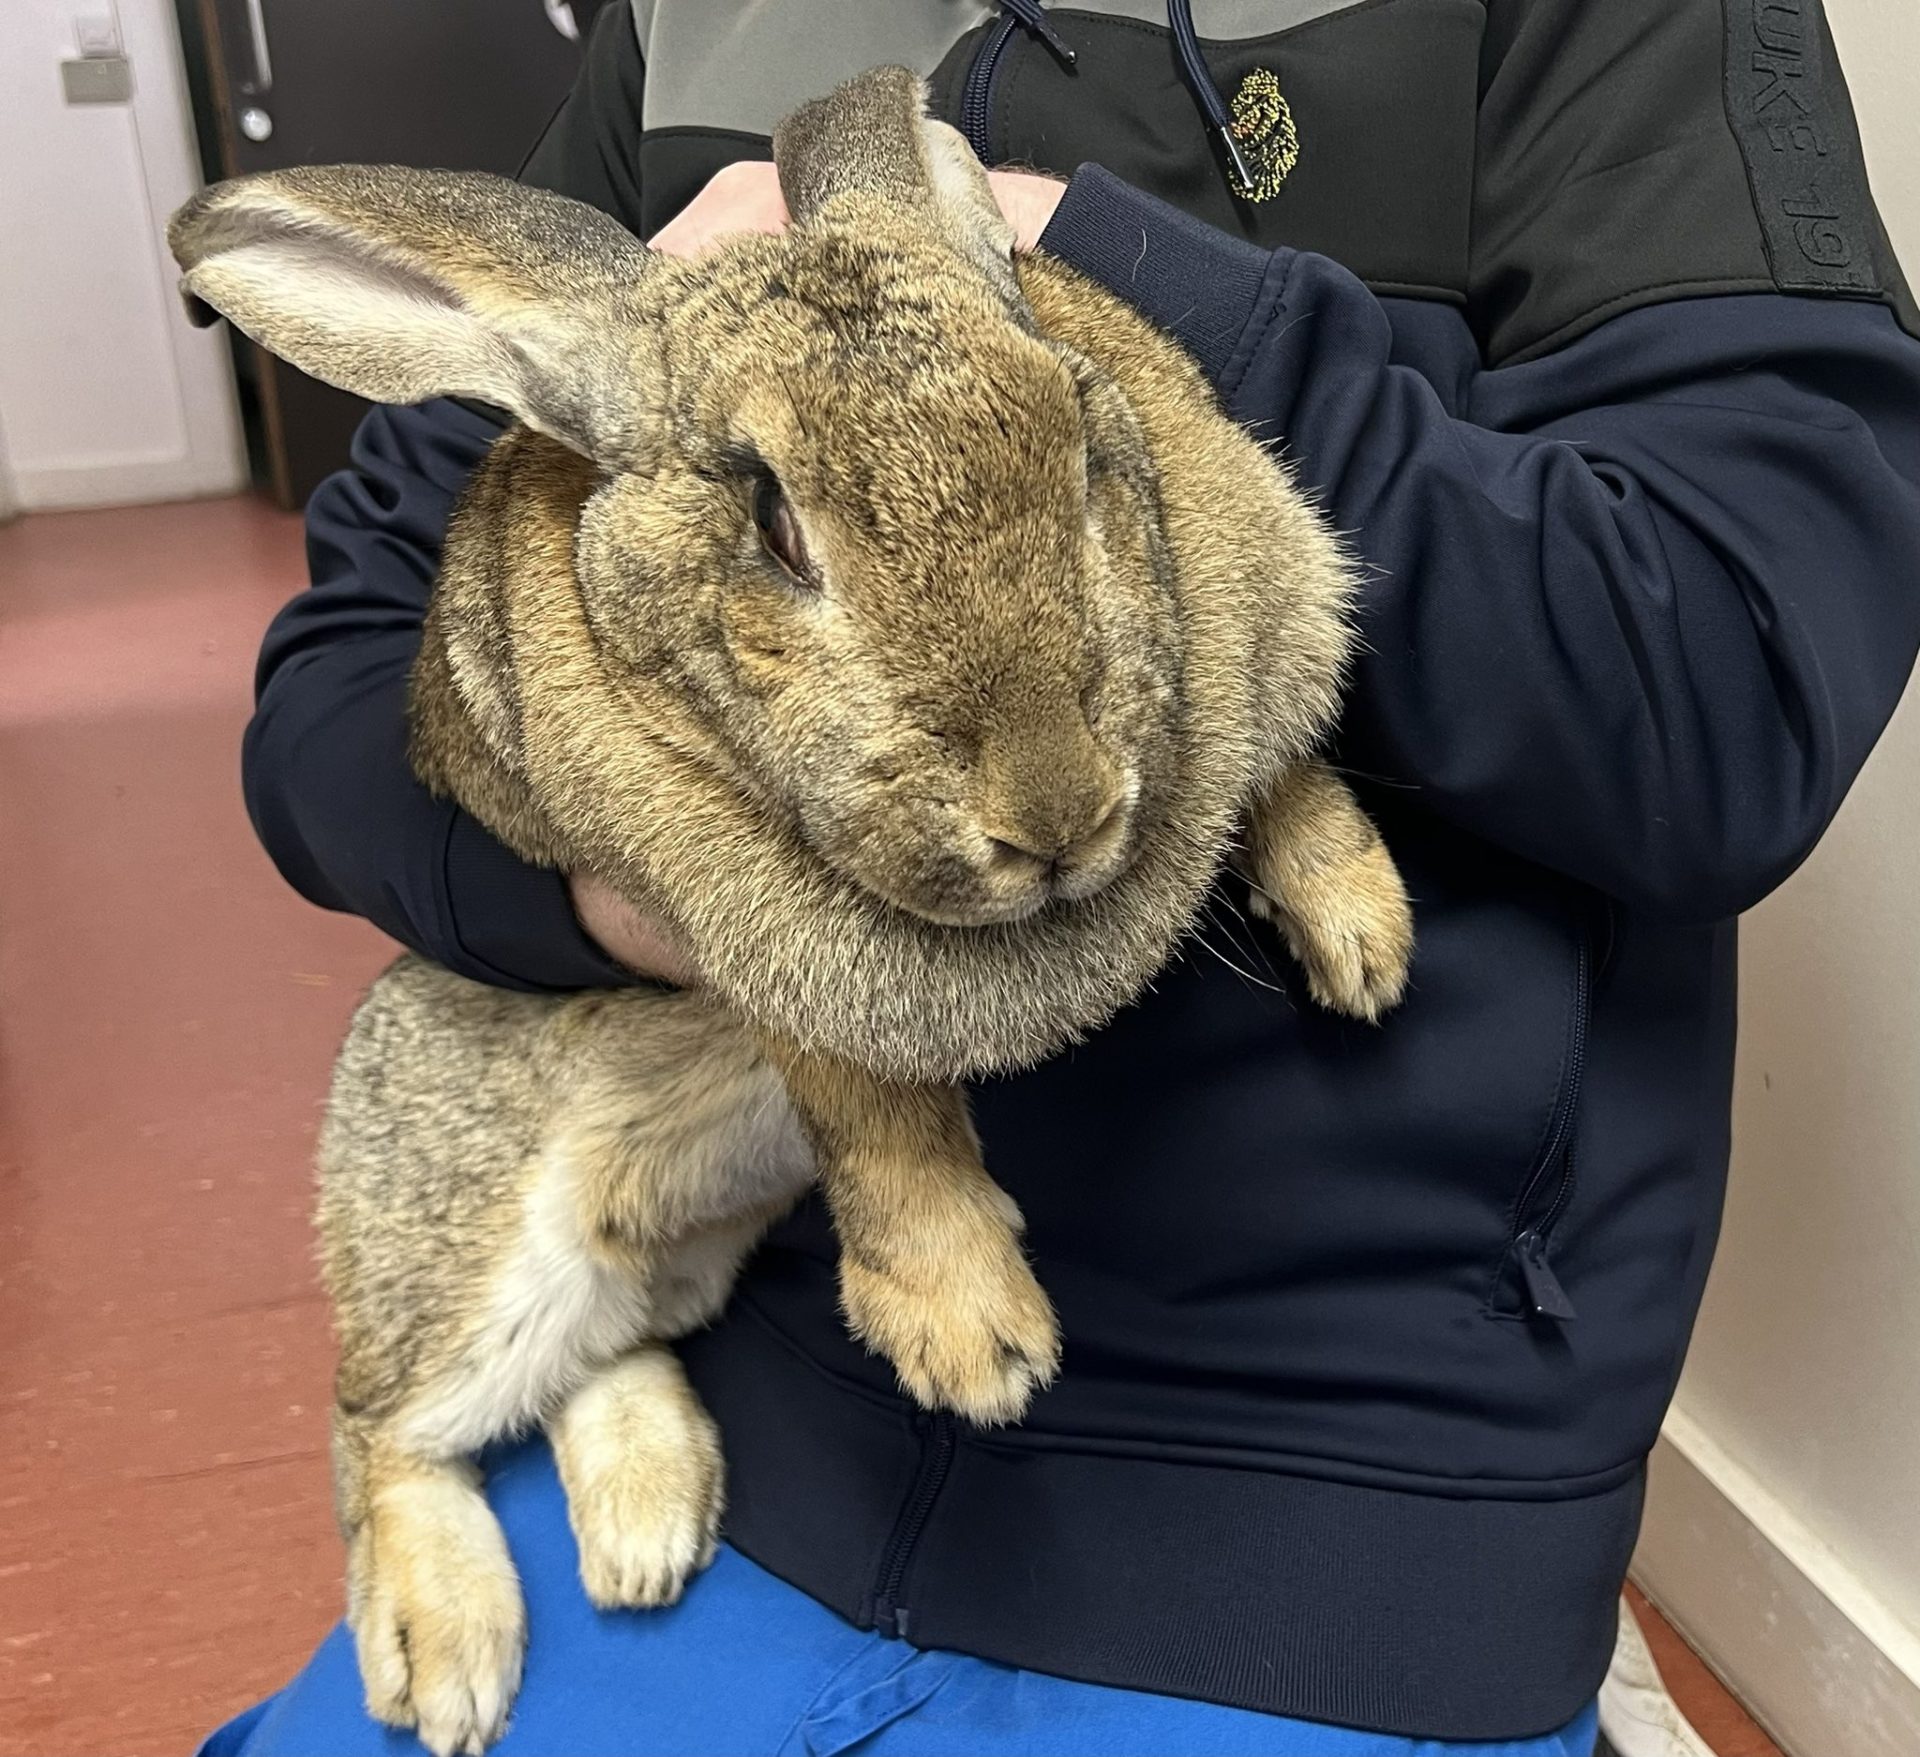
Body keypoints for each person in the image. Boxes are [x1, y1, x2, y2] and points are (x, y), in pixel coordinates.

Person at [207, 3, 1920, 1753]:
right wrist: (637, 898)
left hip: (1331, 1485)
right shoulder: (696, 24)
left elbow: (1734, 683)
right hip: (763, 1353)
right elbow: (343, 676)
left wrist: (1103, 274)